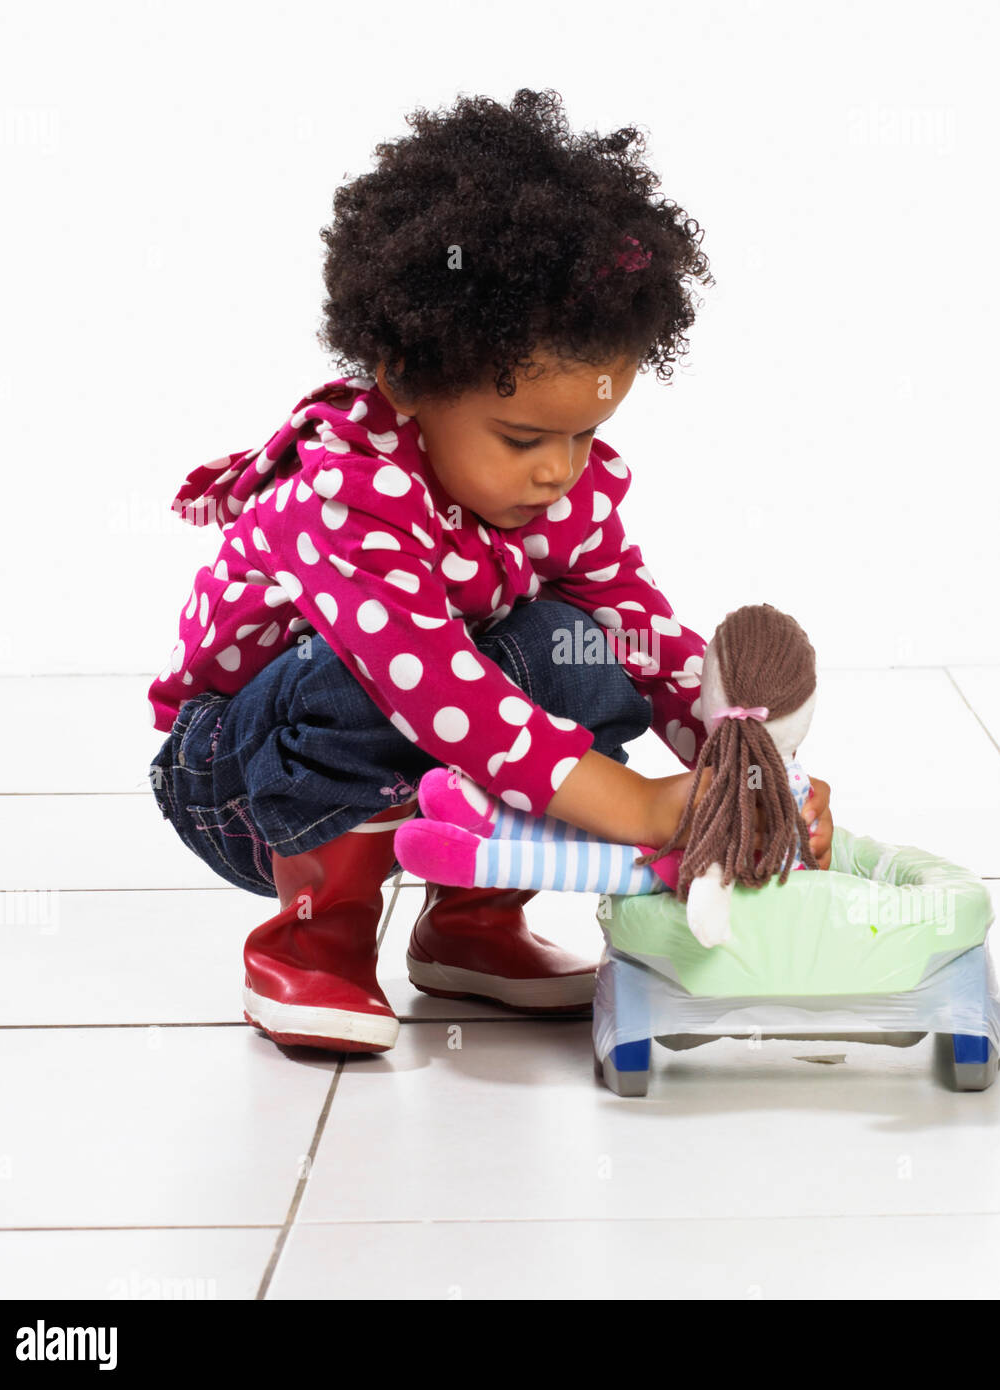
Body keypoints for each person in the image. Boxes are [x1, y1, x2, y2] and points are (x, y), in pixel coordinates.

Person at [146, 88, 833, 1057]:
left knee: (576, 642)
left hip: (427, 748)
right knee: (369, 681)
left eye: (586, 432)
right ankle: (316, 934)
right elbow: (430, 685)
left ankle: (471, 921)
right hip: (240, 776)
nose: (559, 468)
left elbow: (639, 630)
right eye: (522, 437)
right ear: (406, 379)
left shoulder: (561, 490)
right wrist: (636, 804)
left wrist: (737, 766)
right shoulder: (345, 496)